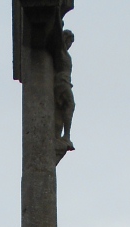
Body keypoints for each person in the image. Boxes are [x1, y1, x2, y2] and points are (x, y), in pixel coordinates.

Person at [54, 29, 75, 157]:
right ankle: (66, 135)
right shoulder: (61, 51)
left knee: (65, 109)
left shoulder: (66, 55)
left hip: (65, 83)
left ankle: (63, 135)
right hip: (61, 83)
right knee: (70, 105)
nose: (69, 45)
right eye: (68, 41)